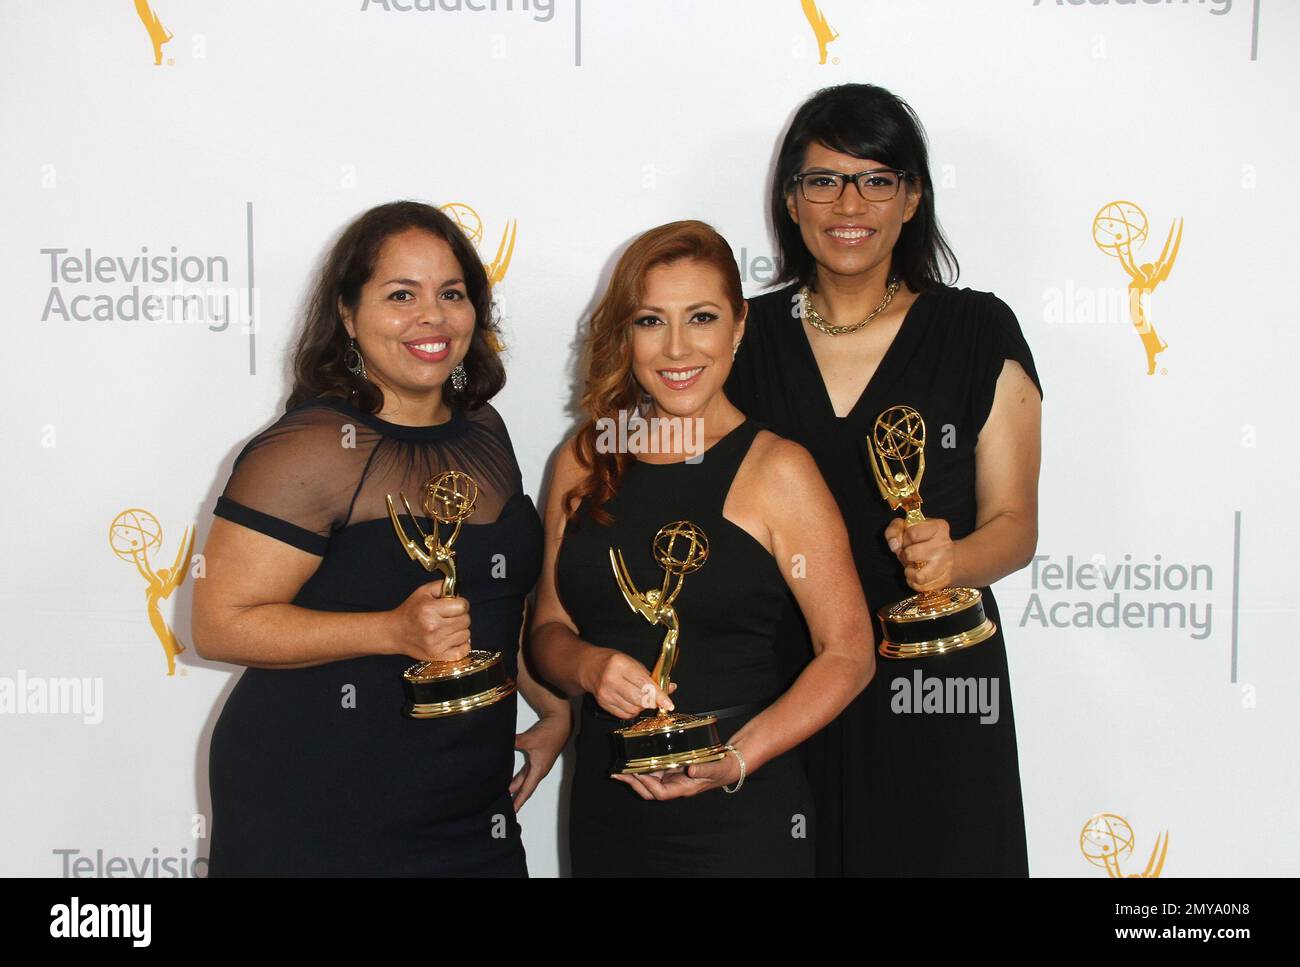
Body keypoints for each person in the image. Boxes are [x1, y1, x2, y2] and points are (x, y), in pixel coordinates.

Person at [192, 201, 569, 876]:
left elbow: (486, 597)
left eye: (452, 294)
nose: (432, 317)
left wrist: (552, 705)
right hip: (318, 801)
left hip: (465, 803)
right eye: (401, 295)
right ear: (347, 313)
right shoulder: (308, 448)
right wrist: (391, 630)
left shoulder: (484, 428)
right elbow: (220, 625)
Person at [726, 83, 1043, 876]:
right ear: (791, 201)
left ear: (912, 199)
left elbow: (1015, 523)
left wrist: (955, 560)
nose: (849, 203)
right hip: (782, 684)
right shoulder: (740, 337)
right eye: (823, 180)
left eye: (877, 179)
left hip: (933, 684)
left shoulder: (977, 331)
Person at [529, 220, 876, 876]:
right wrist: (588, 666)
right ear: (624, 333)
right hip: (609, 815)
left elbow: (850, 652)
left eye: (702, 317)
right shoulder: (585, 457)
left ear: (739, 325)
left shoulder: (780, 470)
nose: (677, 347)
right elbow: (547, 628)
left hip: (740, 821)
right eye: (651, 320)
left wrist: (739, 757)